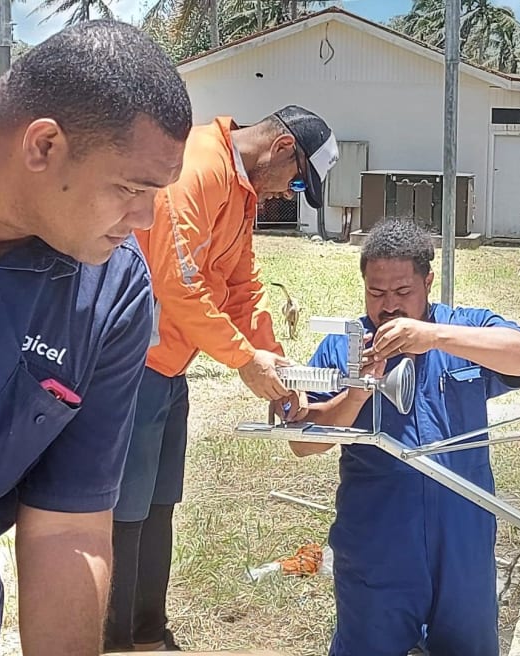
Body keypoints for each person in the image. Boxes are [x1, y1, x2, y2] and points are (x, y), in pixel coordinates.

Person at [0, 19, 191, 656]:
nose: (143, 221)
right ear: (43, 145)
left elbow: (66, 530)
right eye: (131, 189)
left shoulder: (113, 293)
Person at [103, 105, 339, 650]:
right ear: (282, 148)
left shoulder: (241, 193)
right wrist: (242, 360)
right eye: (297, 180)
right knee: (124, 513)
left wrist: (275, 365)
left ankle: (148, 633)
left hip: (168, 370)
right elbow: (176, 281)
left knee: (160, 505)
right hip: (129, 365)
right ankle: (112, 640)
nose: (288, 193)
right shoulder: (199, 166)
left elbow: (242, 288)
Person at [291, 218, 520, 656]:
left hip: (462, 538)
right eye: (376, 293)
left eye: (403, 292)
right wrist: (356, 393)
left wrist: (433, 337)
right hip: (378, 540)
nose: (389, 307)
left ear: (428, 281)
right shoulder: (344, 346)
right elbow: (303, 441)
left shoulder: (464, 329)